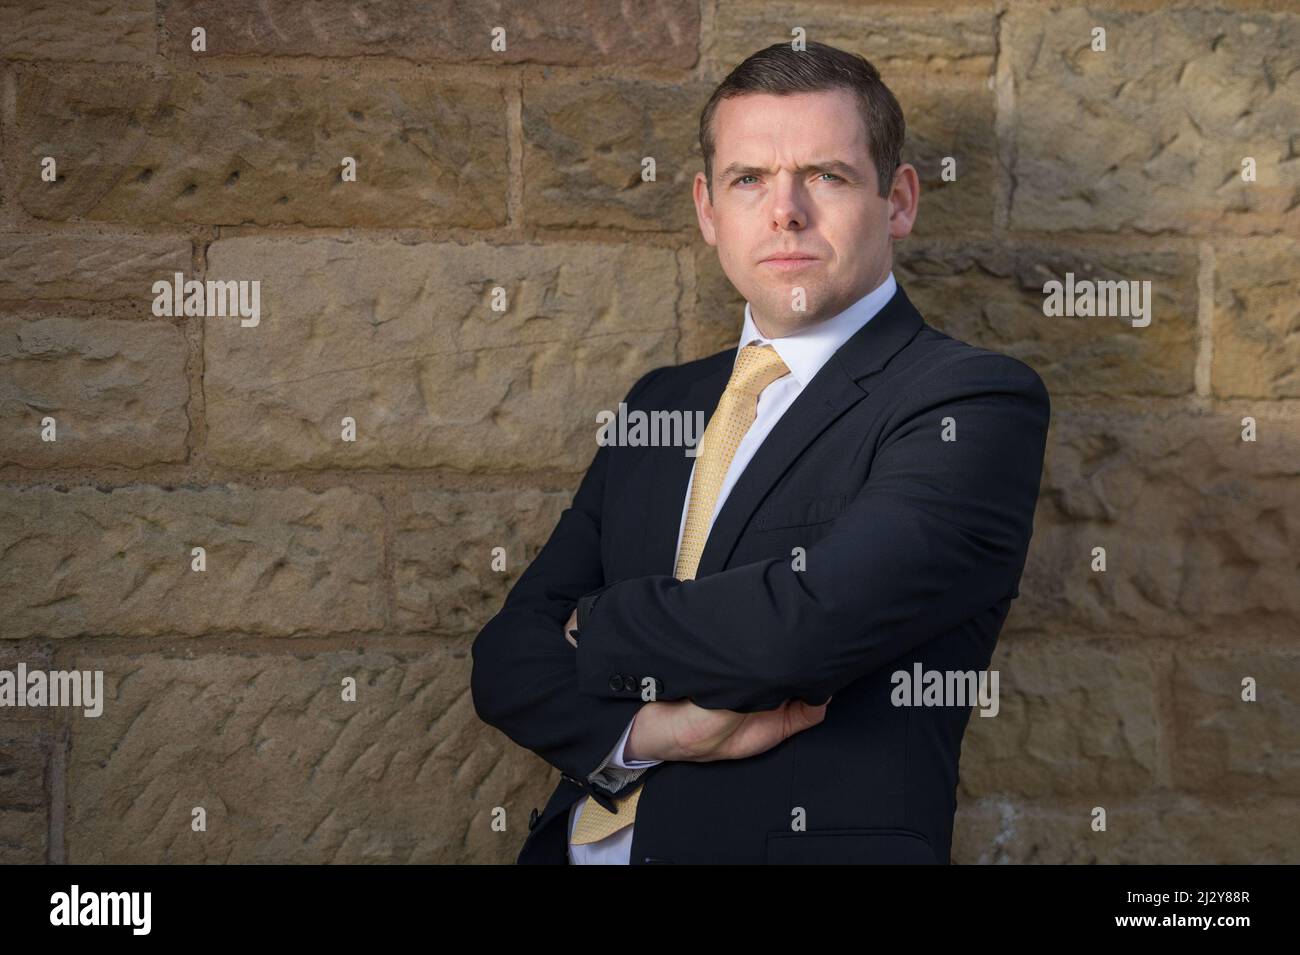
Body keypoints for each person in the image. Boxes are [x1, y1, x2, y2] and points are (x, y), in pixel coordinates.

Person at [470, 40, 1050, 864]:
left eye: (827, 175)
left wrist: (592, 624)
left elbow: (804, 625)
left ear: (899, 201)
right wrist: (648, 731)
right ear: (709, 210)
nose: (785, 211)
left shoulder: (970, 401)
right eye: (750, 180)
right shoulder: (661, 403)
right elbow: (502, 656)